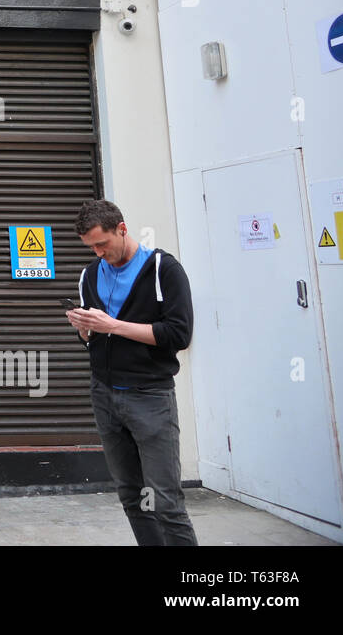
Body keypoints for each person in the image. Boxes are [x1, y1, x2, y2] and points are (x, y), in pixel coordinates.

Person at [67, 198, 197, 545]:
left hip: (149, 396)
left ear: (122, 229)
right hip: (105, 394)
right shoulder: (90, 274)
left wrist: (113, 325)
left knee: (166, 501)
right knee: (131, 495)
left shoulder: (163, 269)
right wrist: (85, 330)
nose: (98, 253)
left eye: (102, 244)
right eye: (91, 247)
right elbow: (94, 340)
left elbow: (178, 335)